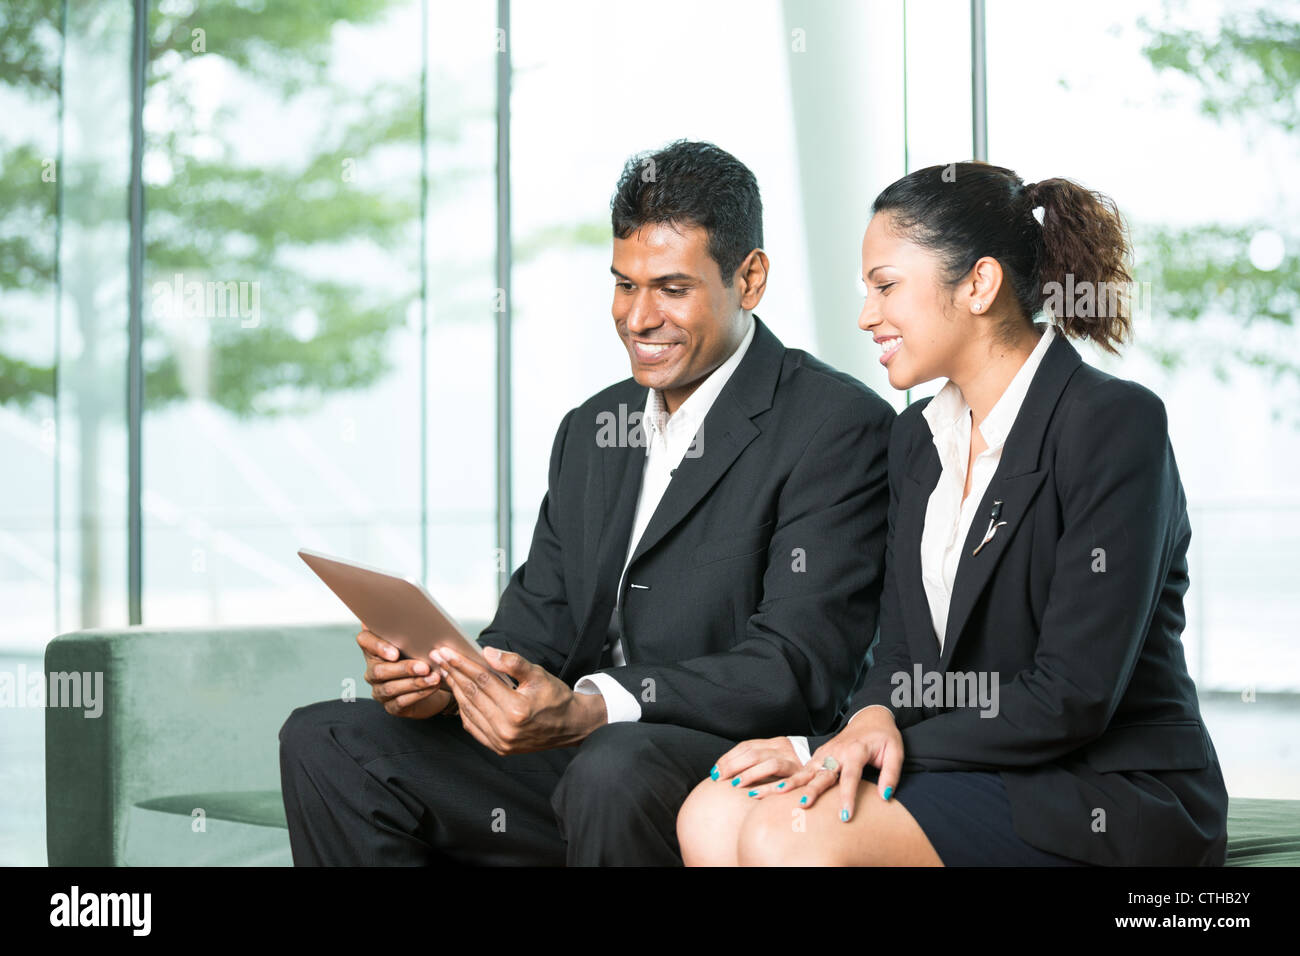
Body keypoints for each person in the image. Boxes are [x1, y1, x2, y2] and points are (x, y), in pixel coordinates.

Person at [278, 139, 896, 865]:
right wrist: (451, 684)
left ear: (749, 279)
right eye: (623, 285)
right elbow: (534, 632)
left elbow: (796, 667)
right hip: (575, 749)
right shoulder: (592, 431)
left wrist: (596, 704)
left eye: (671, 288)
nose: (638, 318)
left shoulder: (836, 427)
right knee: (325, 739)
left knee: (611, 769)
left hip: (720, 757)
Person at [677, 161, 1230, 867]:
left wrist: (845, 747)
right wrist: (873, 716)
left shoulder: (1113, 424)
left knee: (787, 836)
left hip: (1108, 787)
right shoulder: (916, 440)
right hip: (977, 765)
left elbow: (1073, 696)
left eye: (885, 286)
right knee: (714, 809)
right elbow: (903, 654)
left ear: (978, 284)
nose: (866, 314)